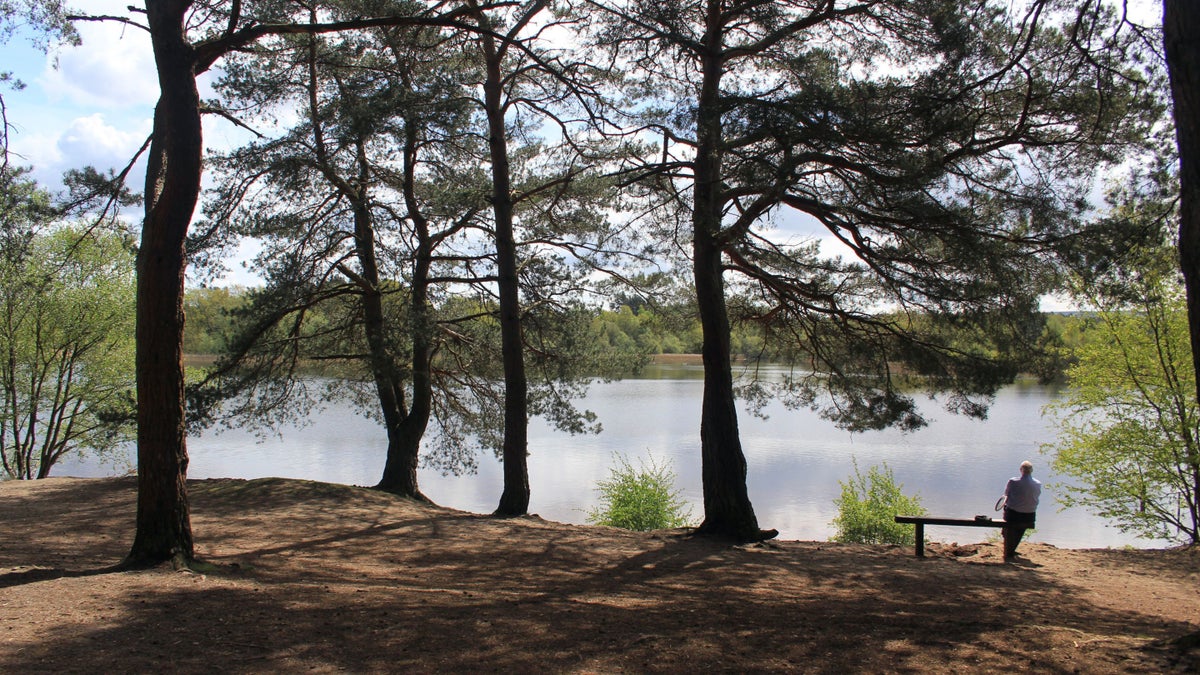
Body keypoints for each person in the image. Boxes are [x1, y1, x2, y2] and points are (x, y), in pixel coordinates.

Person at [1001, 460, 1041, 561]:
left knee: (1009, 524)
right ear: (1031, 470)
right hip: (1029, 515)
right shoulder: (1038, 483)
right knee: (1019, 528)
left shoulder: (1013, 481)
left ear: (1020, 470)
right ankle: (1011, 549)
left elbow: (1006, 495)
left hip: (1014, 515)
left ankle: (1009, 552)